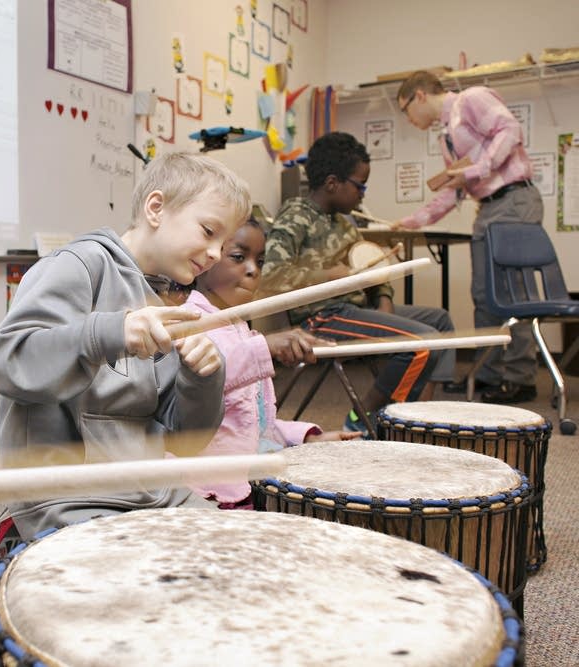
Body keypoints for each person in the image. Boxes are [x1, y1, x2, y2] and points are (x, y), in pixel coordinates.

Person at [0, 151, 251, 589]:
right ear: (155, 208)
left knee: (240, 561)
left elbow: (185, 437)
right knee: (143, 592)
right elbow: (8, 360)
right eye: (208, 231)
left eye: (223, 243)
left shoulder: (167, 298)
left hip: (150, 490)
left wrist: (202, 377)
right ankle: (13, 544)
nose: (215, 253)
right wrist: (111, 332)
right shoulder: (78, 266)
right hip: (69, 494)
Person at [261, 132, 456, 433]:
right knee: (420, 341)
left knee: (439, 322)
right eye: (359, 185)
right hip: (322, 317)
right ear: (332, 183)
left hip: (354, 310)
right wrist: (326, 276)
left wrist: (385, 299)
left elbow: (372, 269)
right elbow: (271, 276)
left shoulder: (344, 224)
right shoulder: (295, 216)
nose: (363, 193)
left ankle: (419, 415)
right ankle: (365, 417)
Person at [185, 219, 361, 509]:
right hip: (212, 491)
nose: (253, 270)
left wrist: (305, 438)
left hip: (249, 480)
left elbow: (251, 422)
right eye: (239, 257)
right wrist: (266, 346)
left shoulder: (239, 325)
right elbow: (209, 377)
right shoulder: (188, 320)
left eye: (260, 260)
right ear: (207, 259)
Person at [396, 71, 541, 404]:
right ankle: (487, 375)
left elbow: (510, 130)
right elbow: (454, 191)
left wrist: (478, 168)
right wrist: (414, 221)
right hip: (488, 208)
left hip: (513, 199)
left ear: (418, 96)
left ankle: (521, 378)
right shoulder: (446, 136)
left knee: (512, 292)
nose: (409, 119)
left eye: (405, 110)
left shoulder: (470, 99)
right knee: (485, 295)